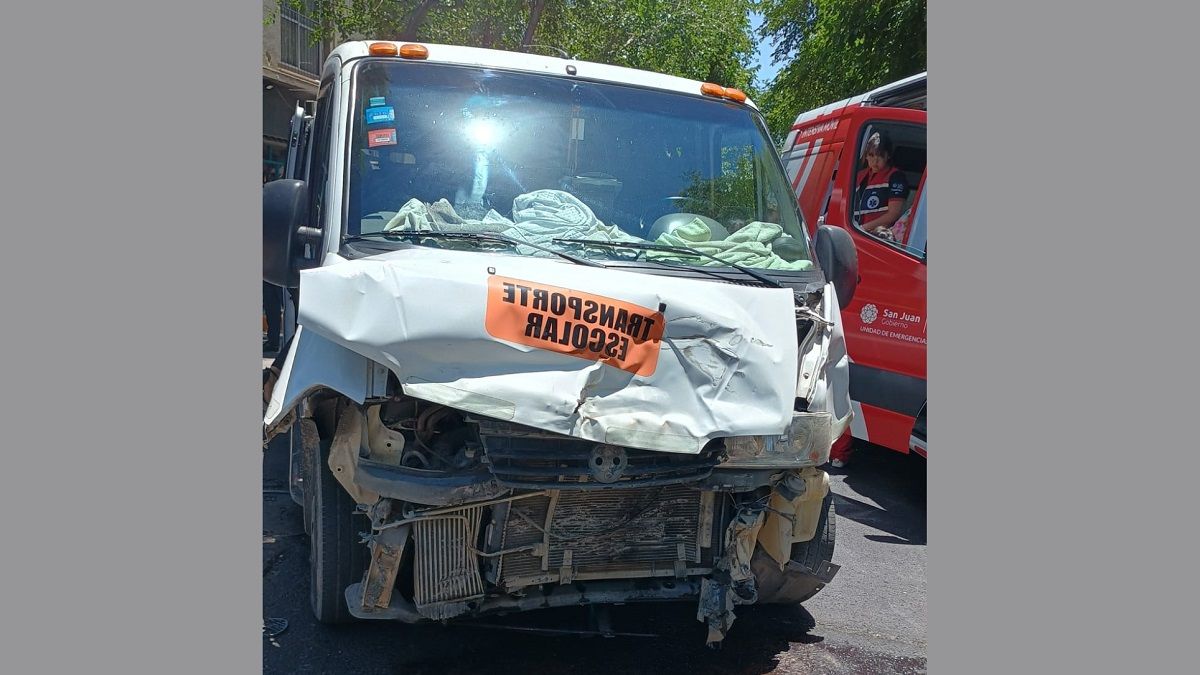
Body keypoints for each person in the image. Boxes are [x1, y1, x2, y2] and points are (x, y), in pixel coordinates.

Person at [853, 131, 910, 242]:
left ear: (888, 156)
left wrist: (862, 228)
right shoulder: (859, 176)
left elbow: (893, 214)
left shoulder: (896, 177)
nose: (875, 161)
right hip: (855, 232)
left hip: (879, 237)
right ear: (866, 156)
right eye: (871, 155)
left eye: (880, 155)